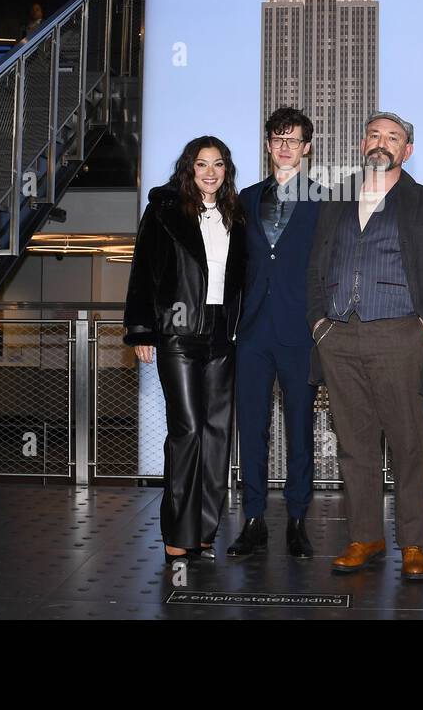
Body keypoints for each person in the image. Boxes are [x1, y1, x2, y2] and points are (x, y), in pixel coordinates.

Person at [306, 111, 423, 580]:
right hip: (339, 336)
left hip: (399, 334)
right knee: (354, 444)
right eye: (375, 134)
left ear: (407, 150)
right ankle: (365, 536)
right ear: (362, 143)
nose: (382, 142)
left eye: (394, 137)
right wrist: (317, 324)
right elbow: (315, 265)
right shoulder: (335, 196)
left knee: (408, 443)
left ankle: (413, 543)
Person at [123, 136, 246, 564]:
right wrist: (141, 331)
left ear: (226, 170)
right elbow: (143, 270)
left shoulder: (237, 214)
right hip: (178, 332)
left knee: (217, 434)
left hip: (222, 334)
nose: (209, 172)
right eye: (201, 164)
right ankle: (178, 529)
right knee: (188, 430)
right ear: (188, 168)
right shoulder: (164, 209)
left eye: (218, 164)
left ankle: (204, 529)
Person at [229, 108, 326, 558]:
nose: (285, 146)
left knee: (300, 429)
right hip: (251, 332)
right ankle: (252, 520)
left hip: (300, 332)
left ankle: (296, 520)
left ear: (307, 148)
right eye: (277, 138)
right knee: (251, 428)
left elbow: (327, 269)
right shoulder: (244, 199)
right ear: (268, 144)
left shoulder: (325, 202)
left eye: (294, 140)